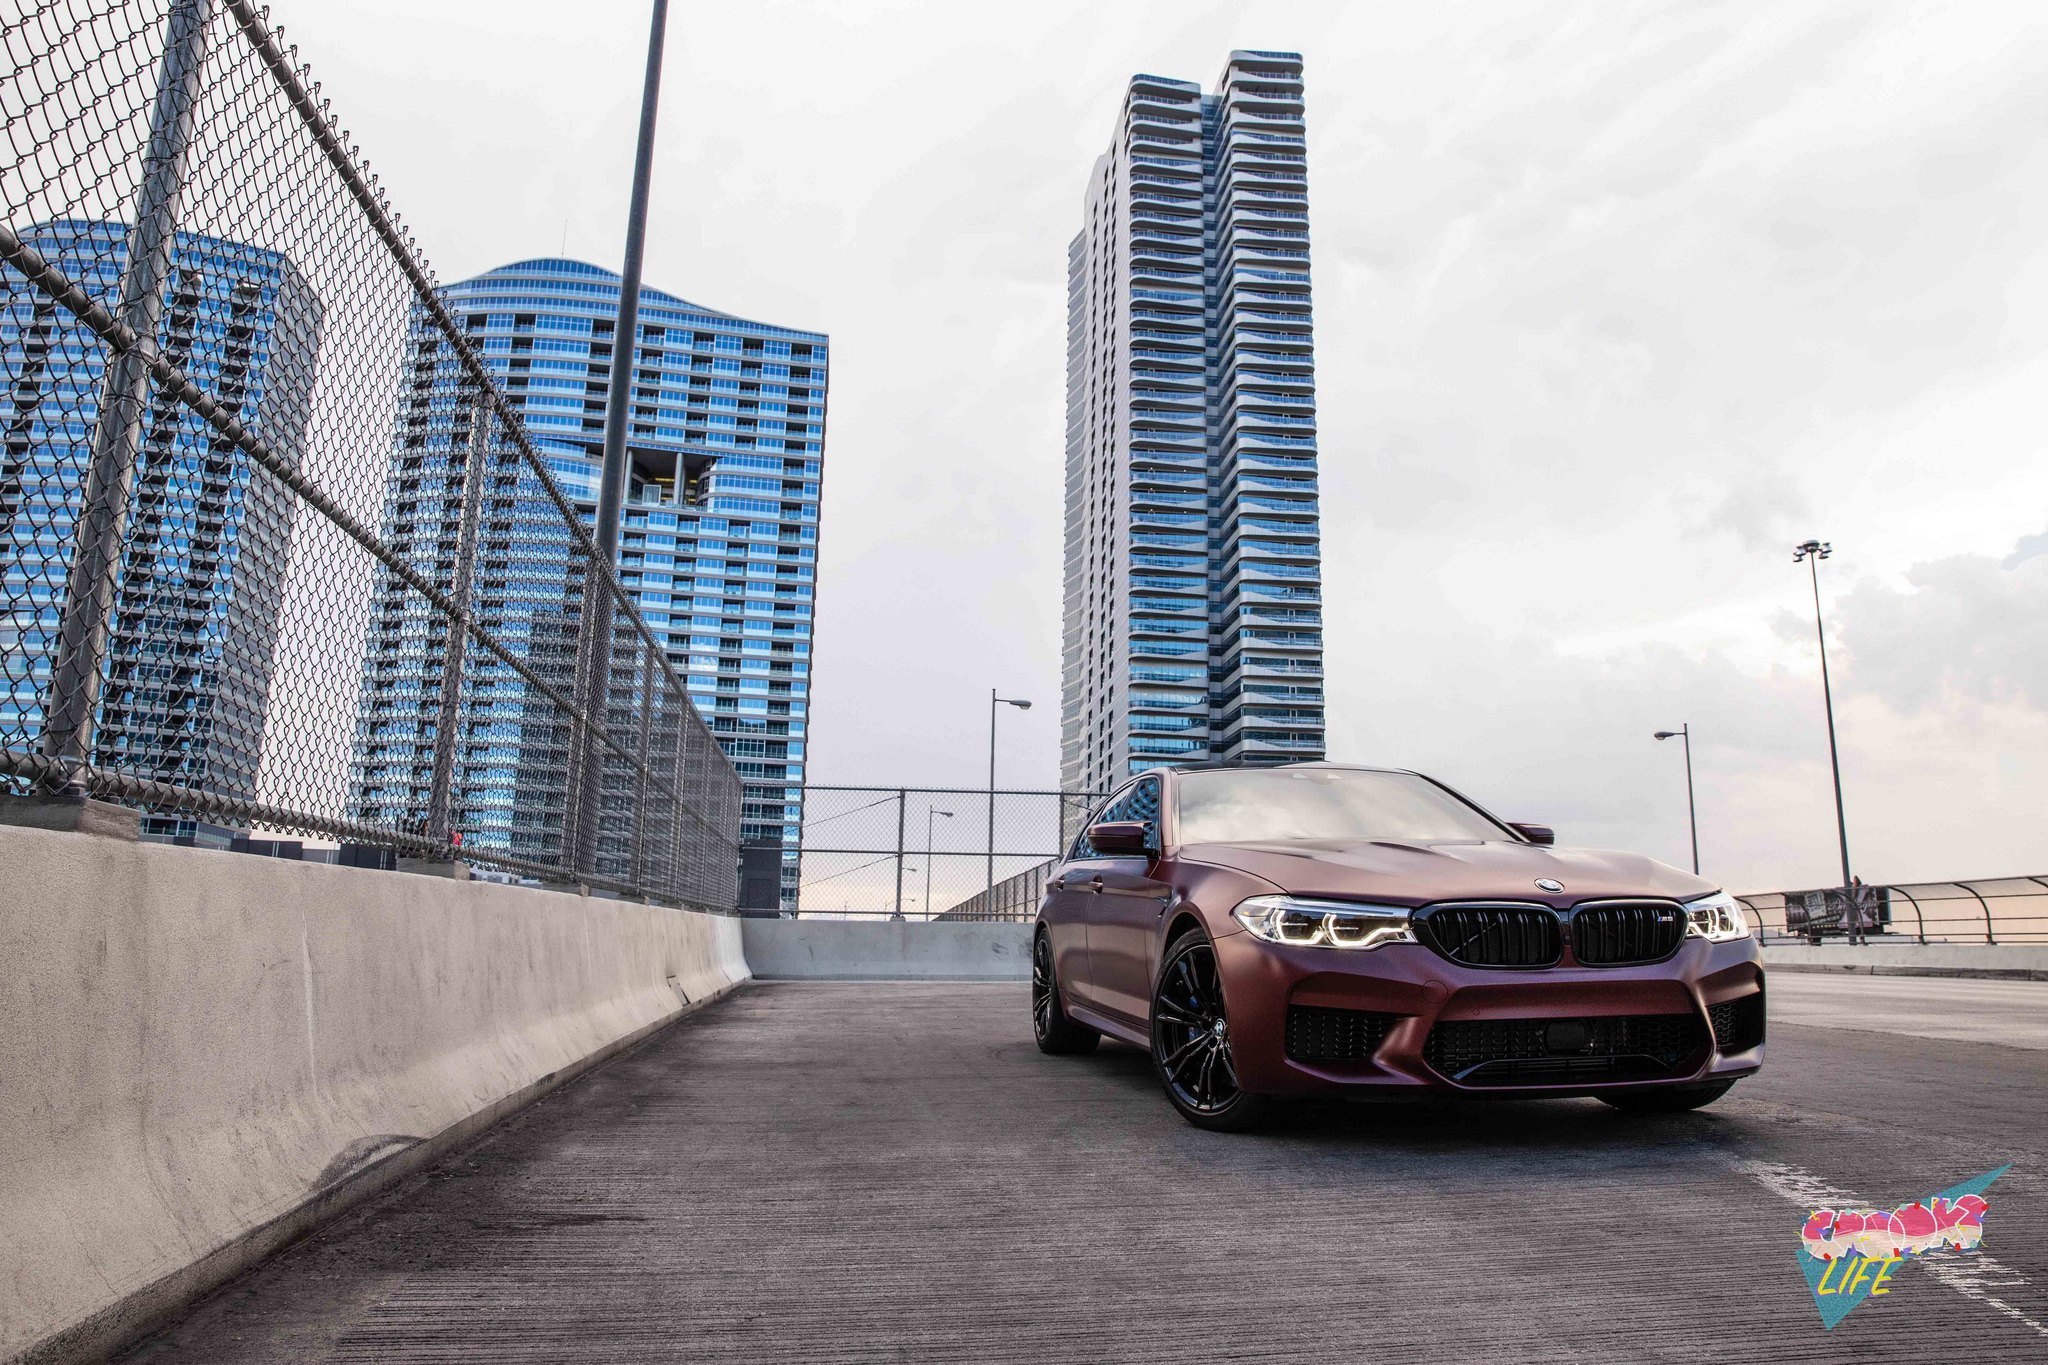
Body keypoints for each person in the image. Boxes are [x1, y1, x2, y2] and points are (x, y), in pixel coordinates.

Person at [1842, 876, 1868, 945]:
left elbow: (1855, 878)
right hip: (1856, 910)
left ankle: (1861, 940)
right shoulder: (1853, 893)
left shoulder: (1854, 893)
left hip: (1856, 909)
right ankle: (1861, 939)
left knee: (1858, 923)